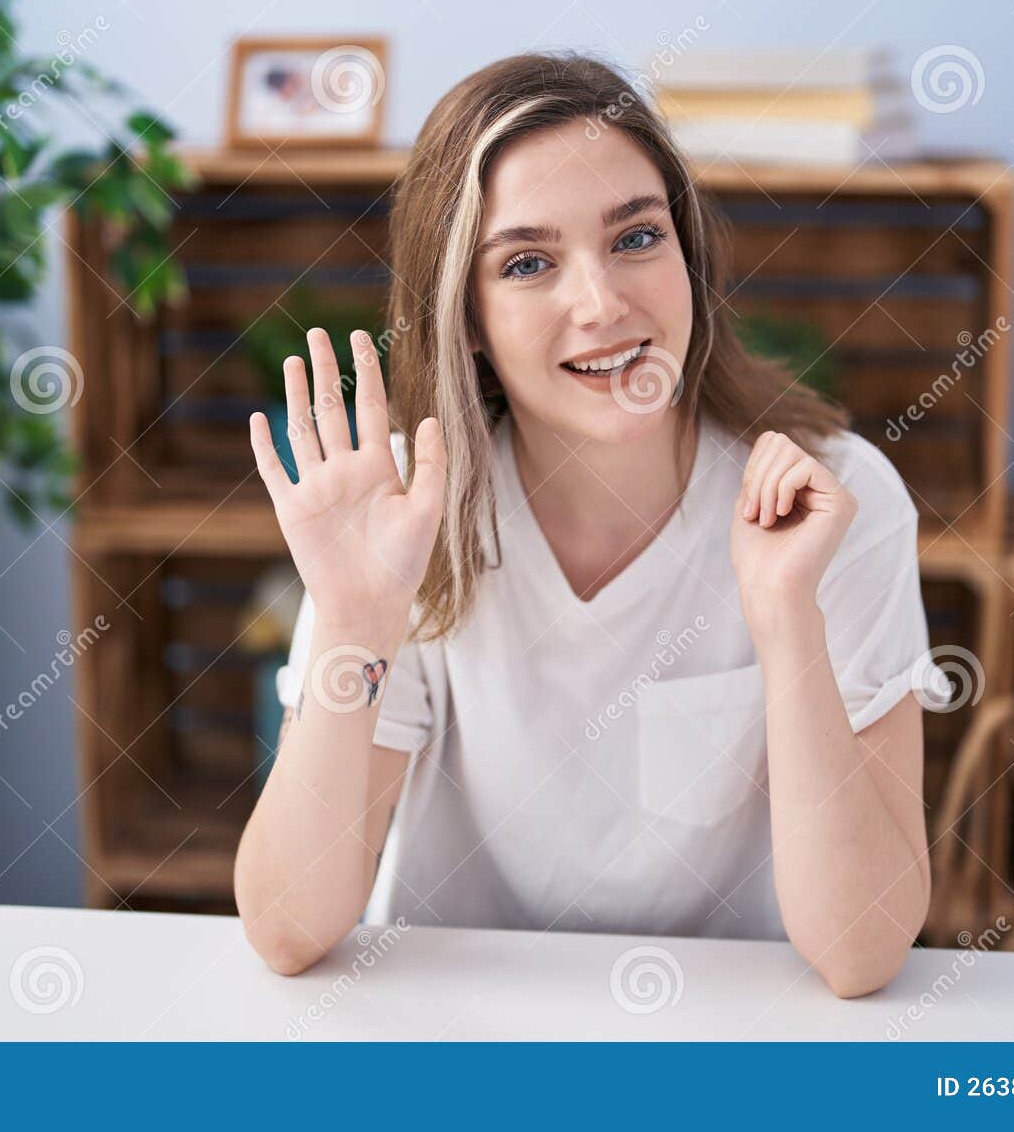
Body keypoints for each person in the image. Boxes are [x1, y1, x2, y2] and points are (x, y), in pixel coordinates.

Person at [233, 52, 942, 998]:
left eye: (636, 238)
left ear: (687, 253)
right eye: (527, 263)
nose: (602, 305)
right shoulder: (406, 516)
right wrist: (357, 620)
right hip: (464, 1039)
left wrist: (785, 619)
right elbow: (288, 927)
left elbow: (863, 950)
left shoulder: (835, 500)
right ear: (467, 318)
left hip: (734, 1040)